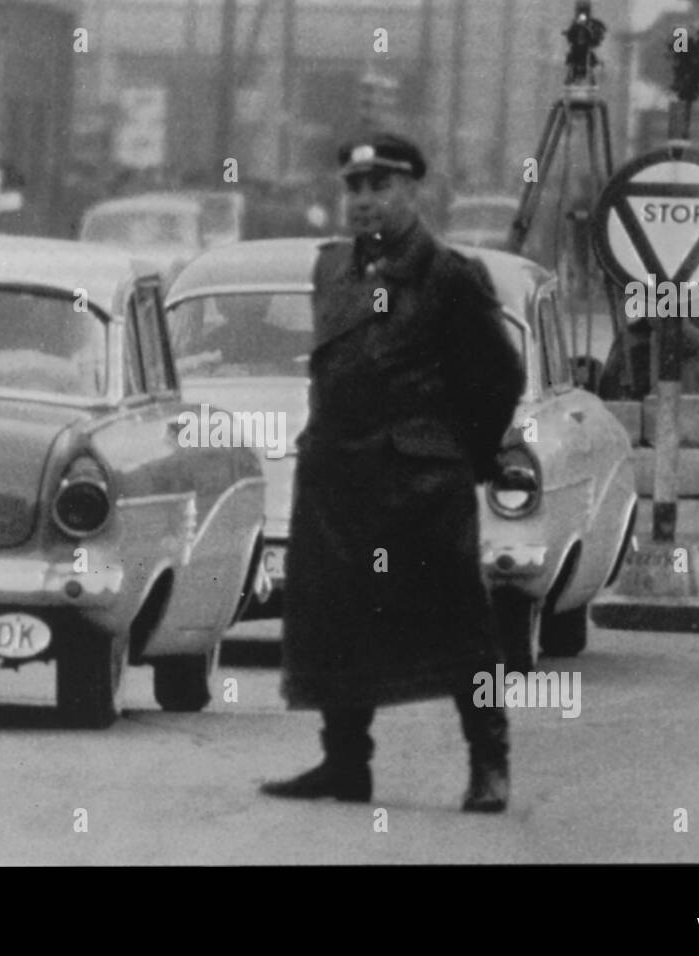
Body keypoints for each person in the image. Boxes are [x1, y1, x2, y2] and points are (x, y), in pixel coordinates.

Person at [259, 133, 525, 812]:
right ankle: (345, 763)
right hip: (338, 478)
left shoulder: (450, 275)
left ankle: (489, 763)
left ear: (416, 193)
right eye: (355, 187)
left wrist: (452, 452)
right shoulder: (331, 270)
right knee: (334, 618)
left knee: (461, 625)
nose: (366, 201)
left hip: (419, 488)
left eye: (382, 187)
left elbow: (498, 377)